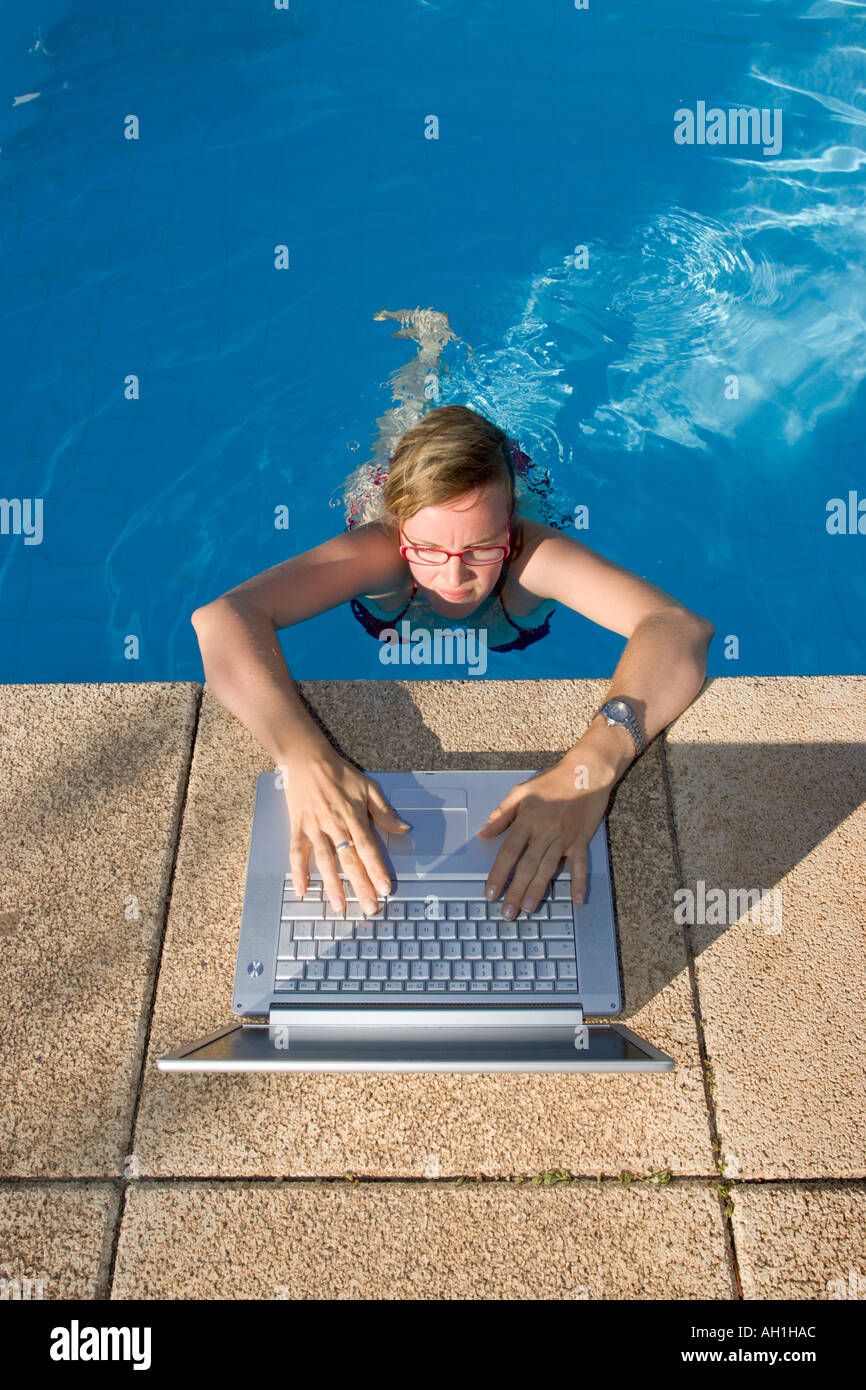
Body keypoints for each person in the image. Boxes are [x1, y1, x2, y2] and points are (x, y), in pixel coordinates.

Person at [191, 318, 714, 928]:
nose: (456, 575)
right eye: (429, 551)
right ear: (402, 532)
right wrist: (301, 756)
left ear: (510, 530)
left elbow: (678, 628)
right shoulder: (382, 552)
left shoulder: (529, 559)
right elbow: (223, 617)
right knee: (403, 427)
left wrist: (593, 767)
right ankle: (428, 350)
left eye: (482, 548)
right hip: (395, 498)